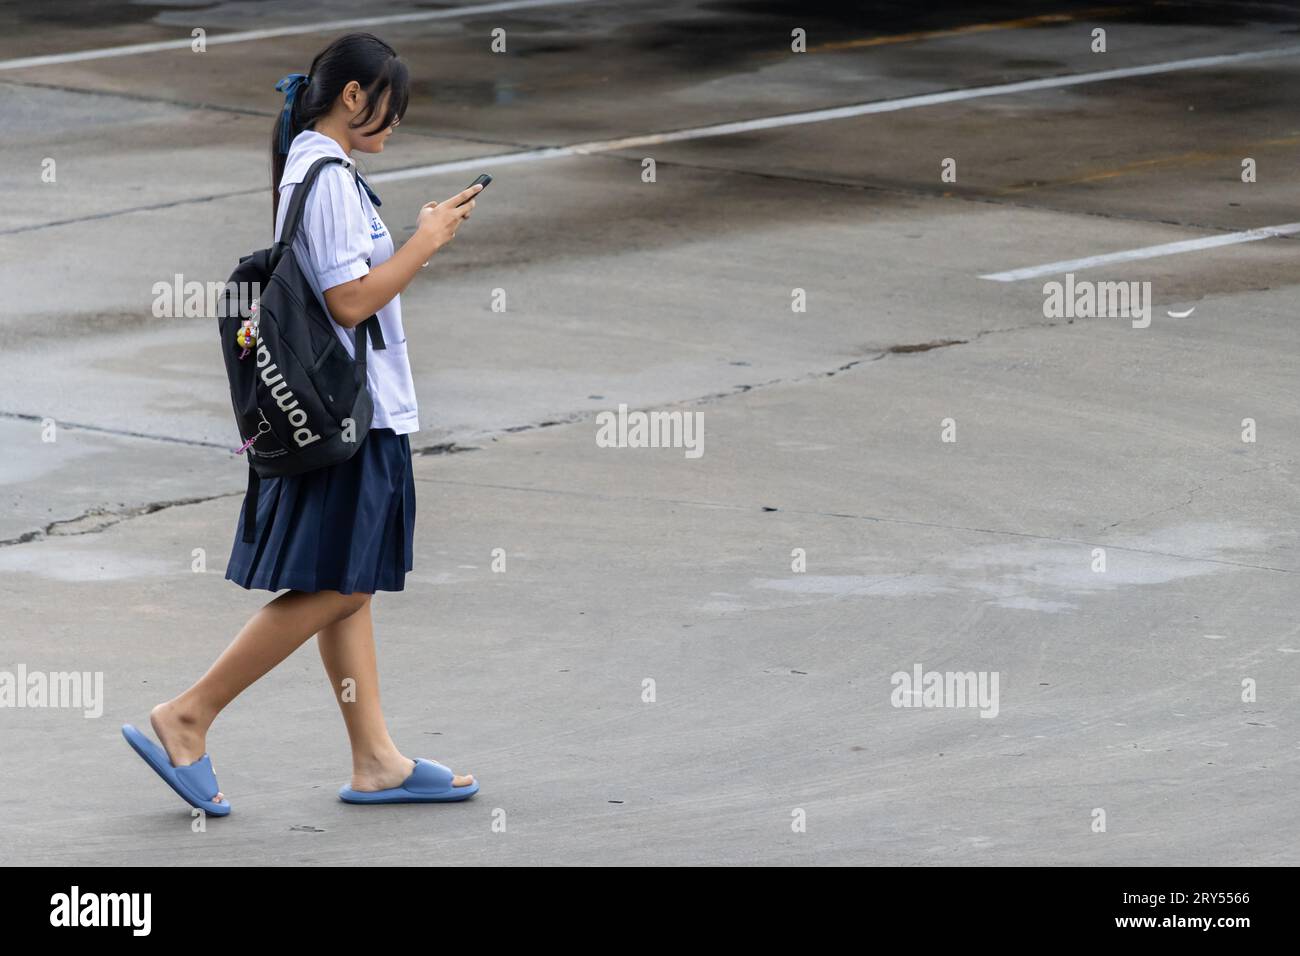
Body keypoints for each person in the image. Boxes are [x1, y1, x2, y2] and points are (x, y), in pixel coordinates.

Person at [121, 32, 483, 814]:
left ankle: (376, 759)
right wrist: (426, 240)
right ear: (353, 96)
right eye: (391, 109)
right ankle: (188, 714)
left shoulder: (319, 172)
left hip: (351, 406)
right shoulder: (324, 178)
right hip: (352, 410)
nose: (395, 126)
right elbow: (349, 300)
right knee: (340, 581)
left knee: (348, 583)